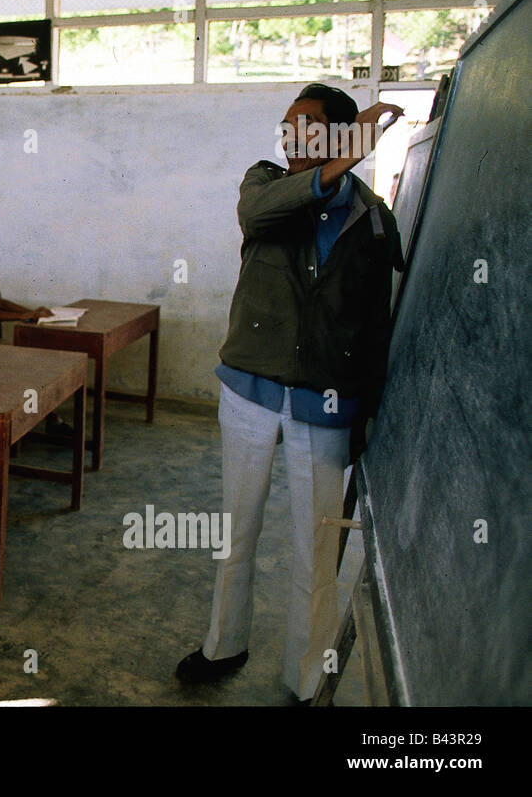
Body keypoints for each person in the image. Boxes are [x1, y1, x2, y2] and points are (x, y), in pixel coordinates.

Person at [177, 83, 404, 703]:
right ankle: (224, 644)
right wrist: (343, 155)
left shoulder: (372, 219)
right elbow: (256, 214)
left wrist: (368, 408)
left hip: (326, 407)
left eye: (305, 127)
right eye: (285, 127)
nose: (288, 138)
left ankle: (306, 679)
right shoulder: (265, 185)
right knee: (237, 528)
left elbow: (376, 322)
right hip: (250, 391)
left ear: (338, 133)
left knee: (317, 545)